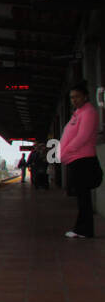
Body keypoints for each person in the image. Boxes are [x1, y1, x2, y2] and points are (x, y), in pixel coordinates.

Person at [59, 81, 101, 238]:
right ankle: (81, 228)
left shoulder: (89, 113)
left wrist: (65, 152)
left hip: (83, 160)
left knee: (84, 197)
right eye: (71, 98)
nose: (74, 100)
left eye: (77, 97)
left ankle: (85, 230)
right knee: (82, 197)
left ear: (86, 97)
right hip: (76, 160)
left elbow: (82, 137)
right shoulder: (78, 113)